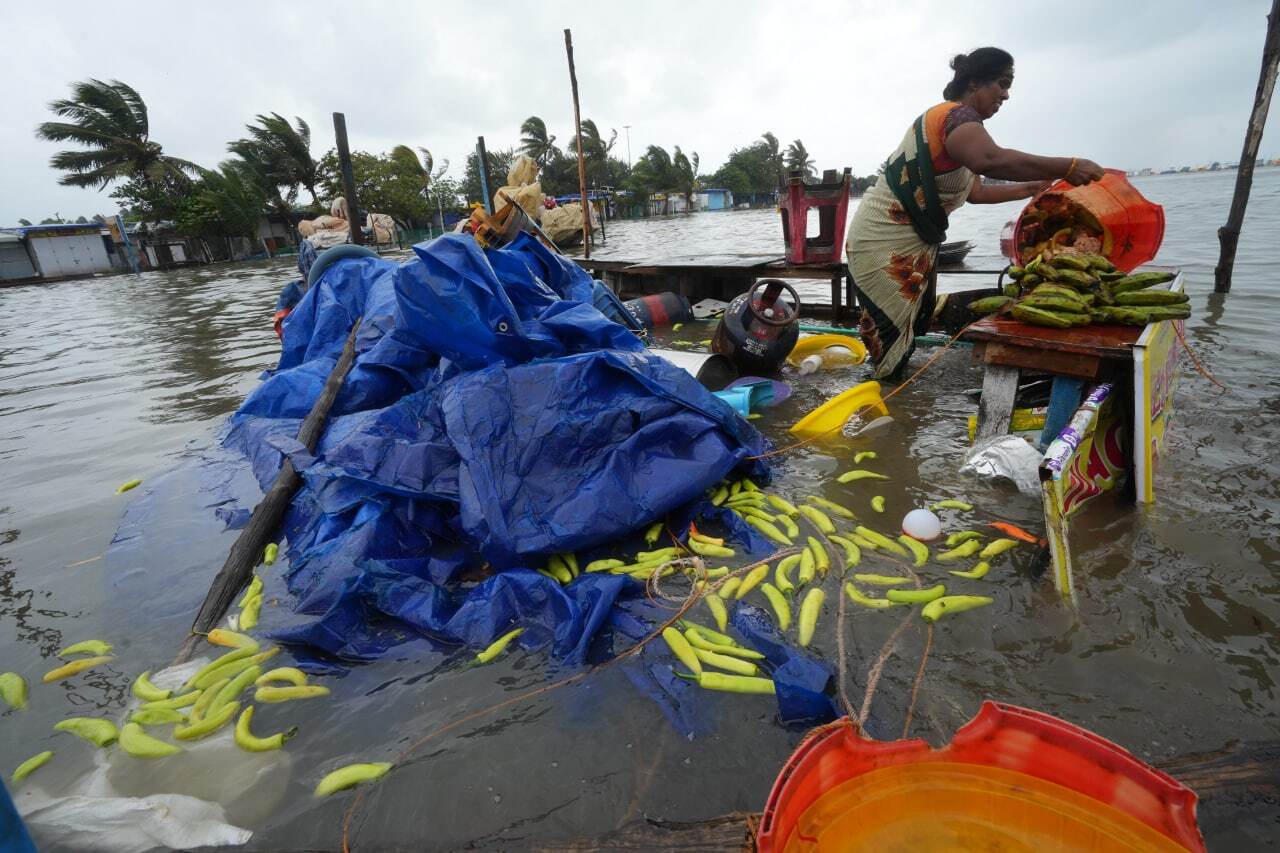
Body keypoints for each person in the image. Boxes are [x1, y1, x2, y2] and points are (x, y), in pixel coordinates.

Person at [847, 47, 1106, 380]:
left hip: (910, 245)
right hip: (881, 239)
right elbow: (992, 159)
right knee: (889, 336)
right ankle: (880, 410)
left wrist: (1032, 188)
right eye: (1002, 83)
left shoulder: (964, 131)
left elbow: (977, 193)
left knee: (903, 332)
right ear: (974, 83)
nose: (1006, 95)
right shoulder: (954, 117)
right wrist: (1068, 165)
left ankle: (898, 405)